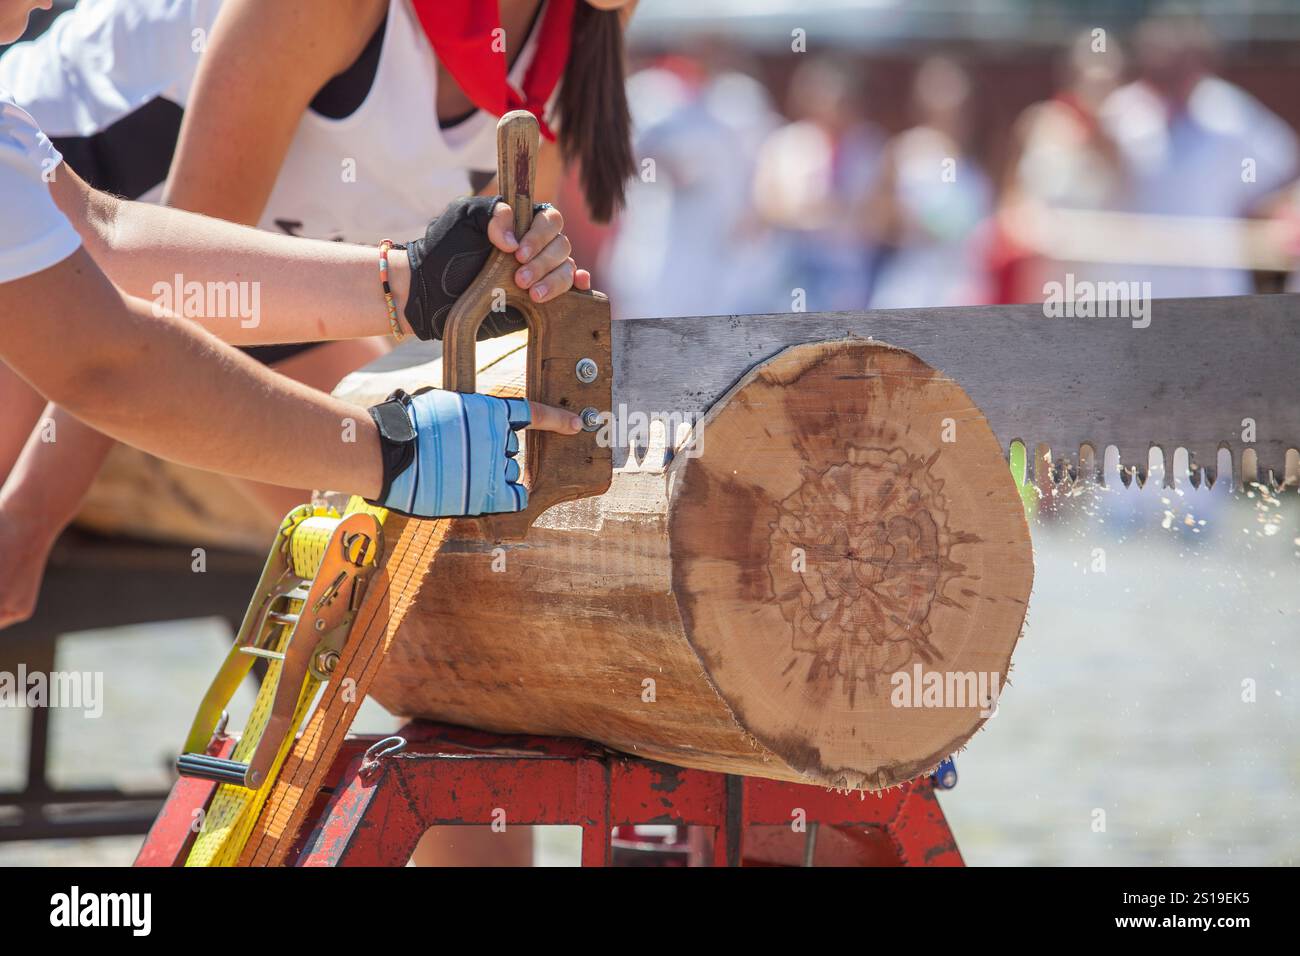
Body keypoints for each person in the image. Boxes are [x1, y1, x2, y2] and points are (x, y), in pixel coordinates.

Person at [0, 0, 636, 627]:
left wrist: (423, 285)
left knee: (413, 586)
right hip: (70, 241)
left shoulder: (584, 30)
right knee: (388, 569)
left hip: (225, 282)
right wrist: (31, 517)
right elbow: (135, 320)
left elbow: (122, 247)